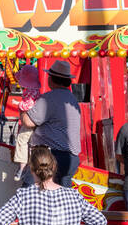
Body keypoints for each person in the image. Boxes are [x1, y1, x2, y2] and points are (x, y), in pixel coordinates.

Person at [20, 58, 82, 188]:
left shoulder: (49, 98)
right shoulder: (72, 99)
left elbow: (28, 121)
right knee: (62, 199)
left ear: (51, 79)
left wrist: (23, 108)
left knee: (30, 192)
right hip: (70, 158)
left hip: (50, 157)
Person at [12, 64, 40, 183]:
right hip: (34, 120)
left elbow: (28, 105)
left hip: (29, 119)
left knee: (21, 140)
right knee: (31, 143)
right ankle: (28, 164)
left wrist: (17, 103)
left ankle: (22, 167)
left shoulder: (31, 92)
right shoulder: (34, 90)